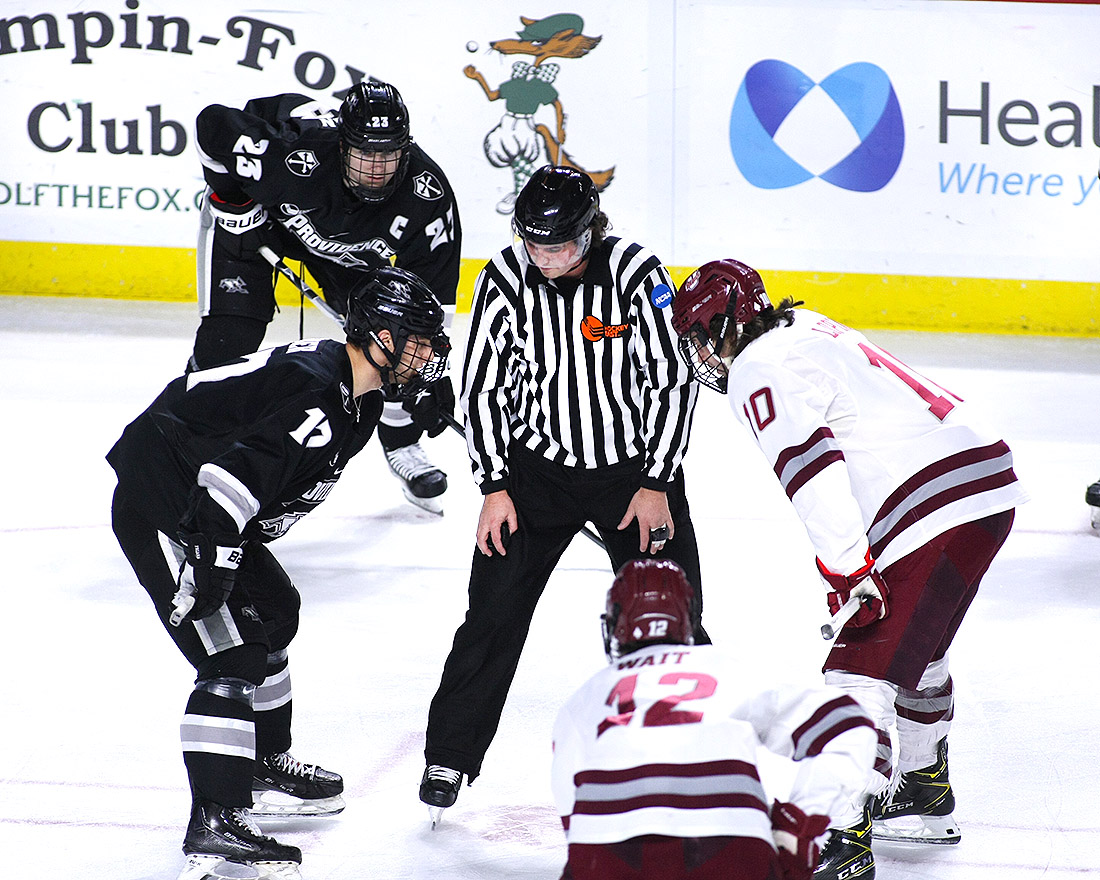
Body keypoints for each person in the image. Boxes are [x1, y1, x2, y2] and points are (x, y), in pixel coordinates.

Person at [671, 259, 1028, 880]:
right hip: (979, 480)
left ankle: (842, 834)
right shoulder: (804, 327)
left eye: (704, 336)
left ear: (732, 322)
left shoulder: (760, 364)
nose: (704, 354)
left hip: (935, 503)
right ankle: (922, 789)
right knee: (915, 649)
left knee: (859, 669)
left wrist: (846, 573)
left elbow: (812, 471)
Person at [108, 268, 449, 880]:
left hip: (203, 496)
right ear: (377, 337)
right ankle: (215, 818)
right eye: (416, 341)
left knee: (276, 611)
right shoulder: (318, 394)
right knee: (231, 652)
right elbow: (230, 481)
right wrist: (212, 562)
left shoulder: (358, 391)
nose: (428, 354)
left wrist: (425, 400)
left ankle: (263, 761)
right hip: (171, 501)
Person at [419, 165, 706, 817]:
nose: (545, 260)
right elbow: (485, 387)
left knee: (672, 613)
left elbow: (671, 381)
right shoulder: (504, 277)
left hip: (632, 475)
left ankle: (691, 747)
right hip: (535, 475)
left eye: (559, 247)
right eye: (534, 246)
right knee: (490, 616)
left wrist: (657, 481)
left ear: (588, 232)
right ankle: (449, 756)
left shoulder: (636, 272)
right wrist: (494, 485)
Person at [190, 80, 462, 513]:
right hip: (261, 224)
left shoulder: (426, 197)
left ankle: (401, 442)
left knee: (396, 339)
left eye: (388, 155)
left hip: (344, 251)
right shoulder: (292, 154)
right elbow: (212, 126)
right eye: (364, 154)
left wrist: (427, 378)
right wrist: (234, 205)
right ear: (340, 145)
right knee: (226, 344)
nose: (376, 168)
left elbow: (428, 313)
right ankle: (190, 449)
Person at [552, 558, 878, 880]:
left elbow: (573, 817)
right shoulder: (727, 669)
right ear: (687, 617)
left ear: (614, 624)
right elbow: (849, 726)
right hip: (729, 852)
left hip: (607, 860)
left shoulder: (583, 699)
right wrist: (799, 824)